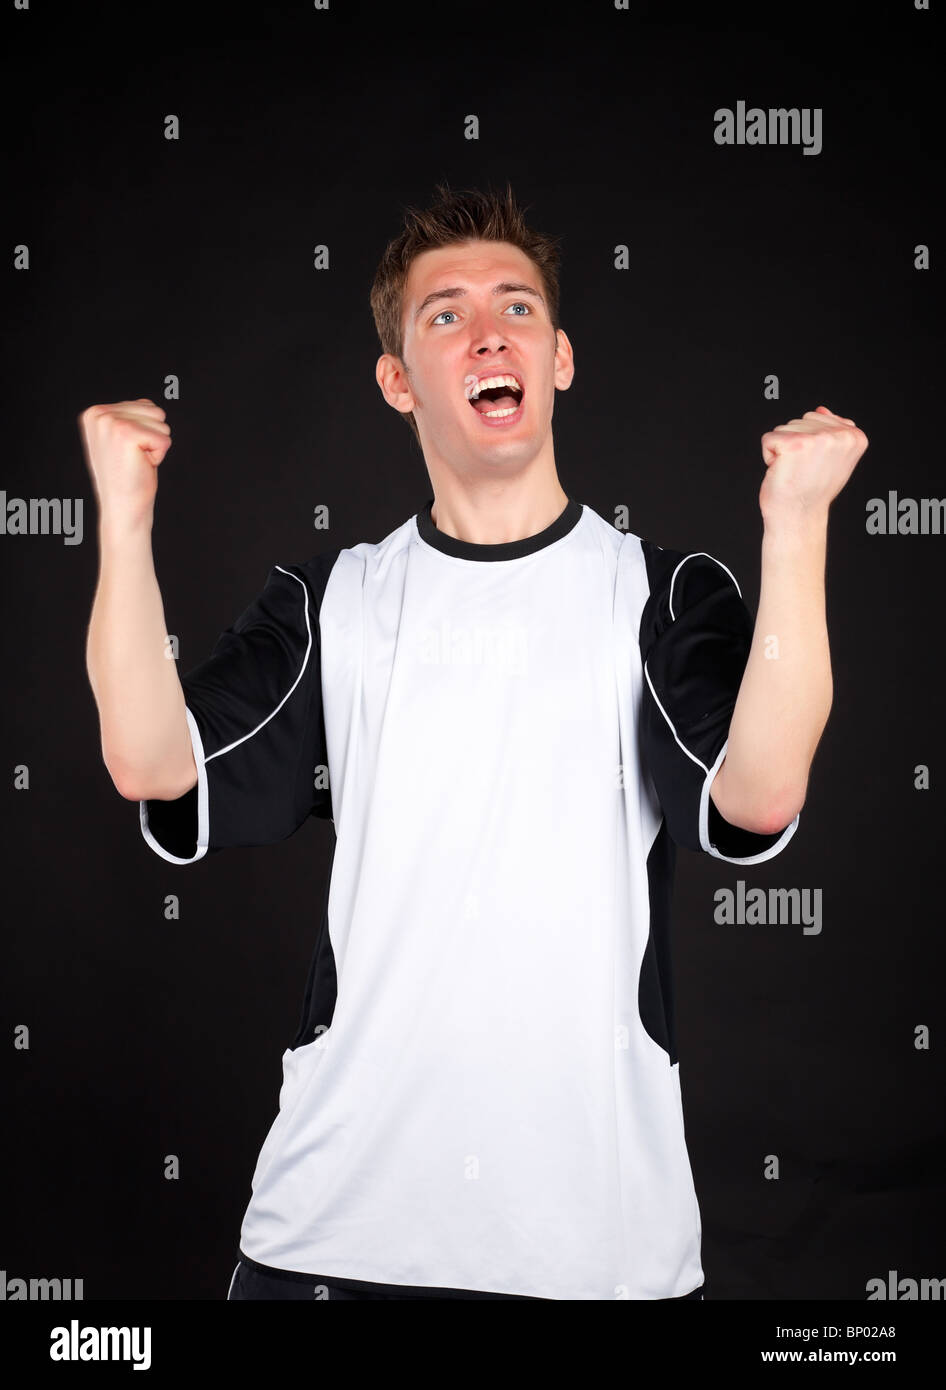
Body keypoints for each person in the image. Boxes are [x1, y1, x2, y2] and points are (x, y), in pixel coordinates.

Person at [82, 181, 867, 1301]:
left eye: (518, 308)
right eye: (443, 314)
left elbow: (759, 791)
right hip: (330, 1248)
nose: (487, 330)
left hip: (599, 1257)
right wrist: (123, 518)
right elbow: (151, 762)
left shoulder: (663, 596)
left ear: (558, 360)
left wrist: (796, 529)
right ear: (398, 381)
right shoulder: (329, 603)